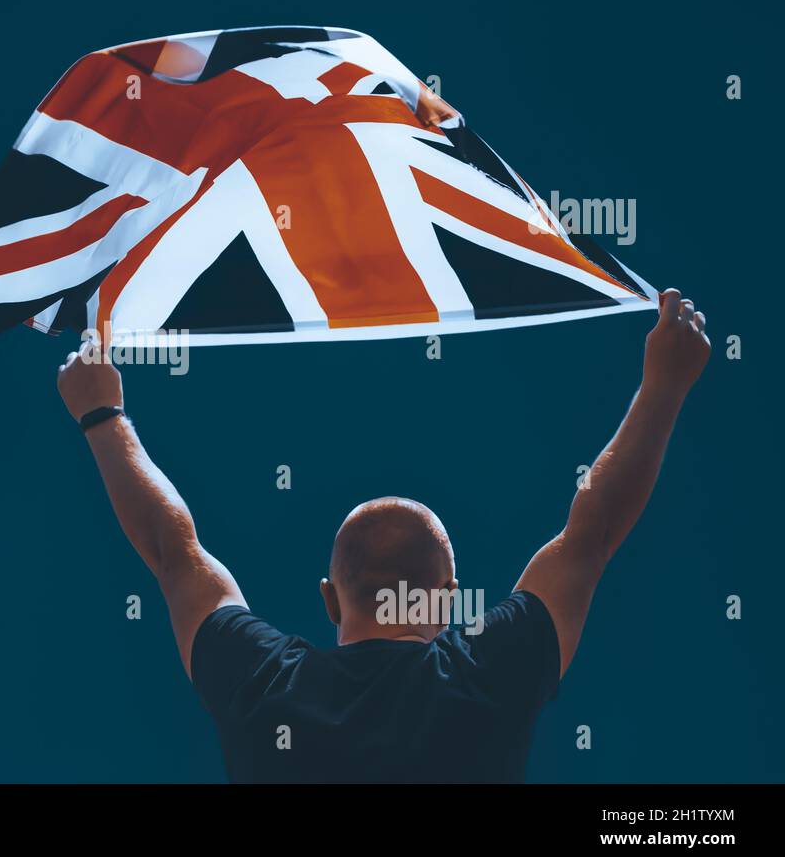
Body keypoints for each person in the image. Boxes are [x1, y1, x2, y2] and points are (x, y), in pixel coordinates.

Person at [56, 289, 710, 782]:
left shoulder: (261, 683)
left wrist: (102, 413)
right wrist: (665, 385)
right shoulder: (489, 675)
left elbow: (176, 555)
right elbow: (590, 534)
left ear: (329, 600)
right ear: (447, 598)